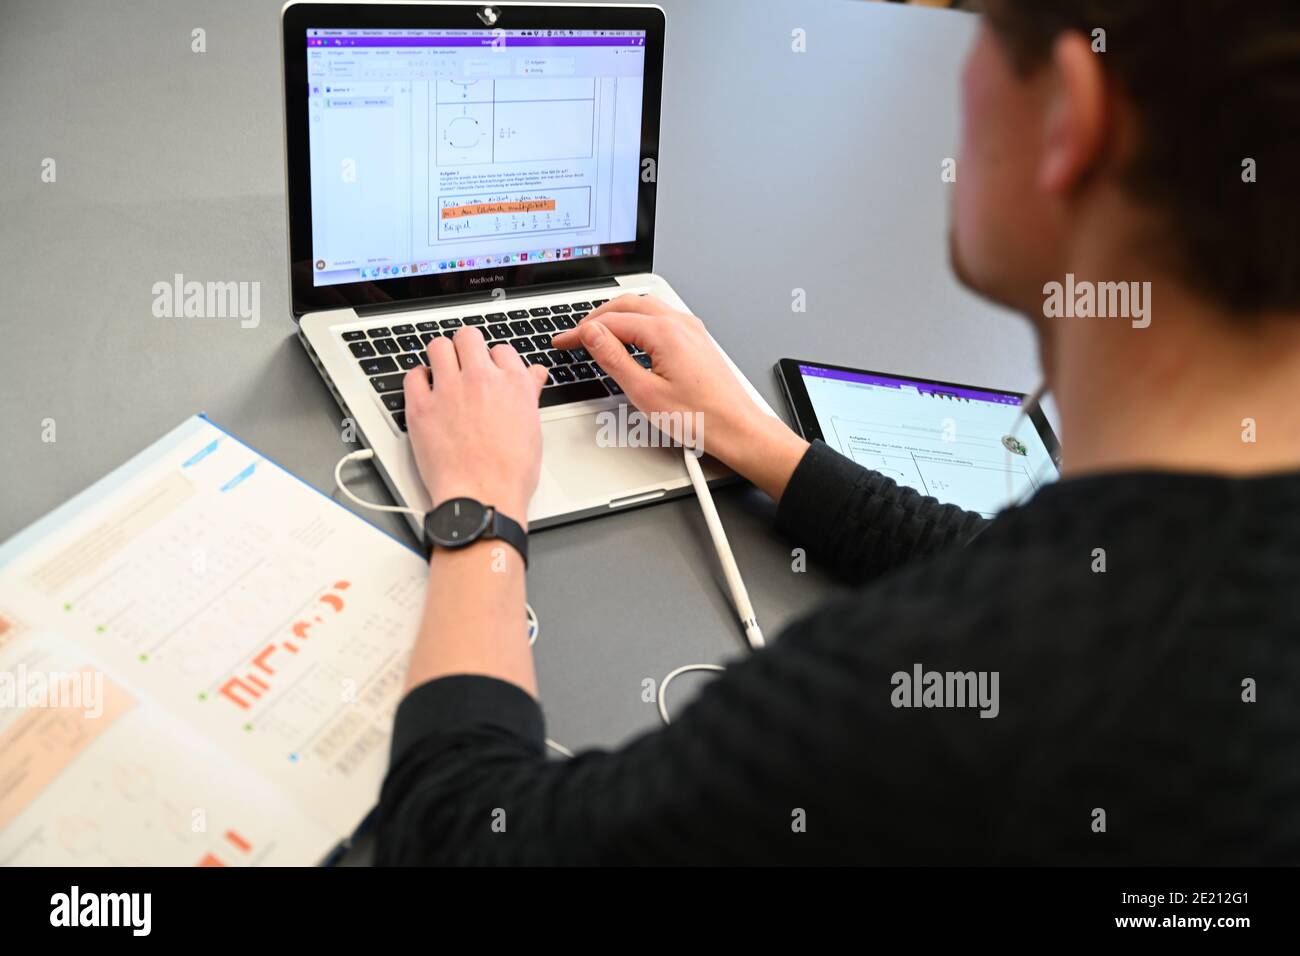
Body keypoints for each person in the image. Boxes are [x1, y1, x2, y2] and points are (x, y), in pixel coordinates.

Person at [374, 0, 1300, 865]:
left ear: (1073, 119)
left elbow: (463, 836)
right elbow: (992, 558)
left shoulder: (909, 704)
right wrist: (762, 445)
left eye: (977, 36)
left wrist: (479, 509)